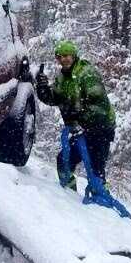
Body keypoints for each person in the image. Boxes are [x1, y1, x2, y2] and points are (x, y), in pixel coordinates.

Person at [35, 40, 116, 194]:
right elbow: (54, 98)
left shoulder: (86, 73)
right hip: (81, 129)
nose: (64, 59)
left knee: (95, 170)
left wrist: (79, 116)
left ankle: (103, 203)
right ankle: (69, 197)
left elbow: (100, 106)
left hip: (101, 128)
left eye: (67, 56)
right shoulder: (62, 77)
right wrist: (42, 87)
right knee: (64, 161)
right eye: (60, 57)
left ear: (74, 56)